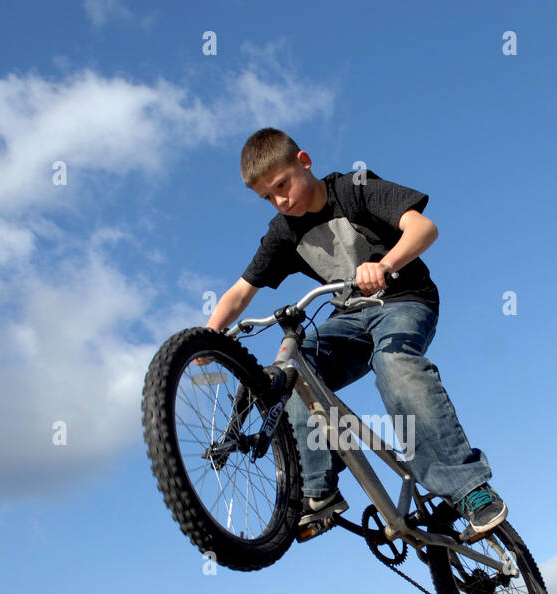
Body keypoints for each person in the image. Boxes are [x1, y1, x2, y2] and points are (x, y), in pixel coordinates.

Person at [205, 128, 506, 541]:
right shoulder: (283, 232)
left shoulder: (355, 189)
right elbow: (241, 292)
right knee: (288, 371)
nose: (281, 201)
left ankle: (467, 488)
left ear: (303, 162)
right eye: (268, 198)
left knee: (394, 365)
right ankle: (318, 491)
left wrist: (385, 263)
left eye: (282, 185)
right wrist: (208, 336)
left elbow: (424, 229)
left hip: (403, 300)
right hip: (349, 319)